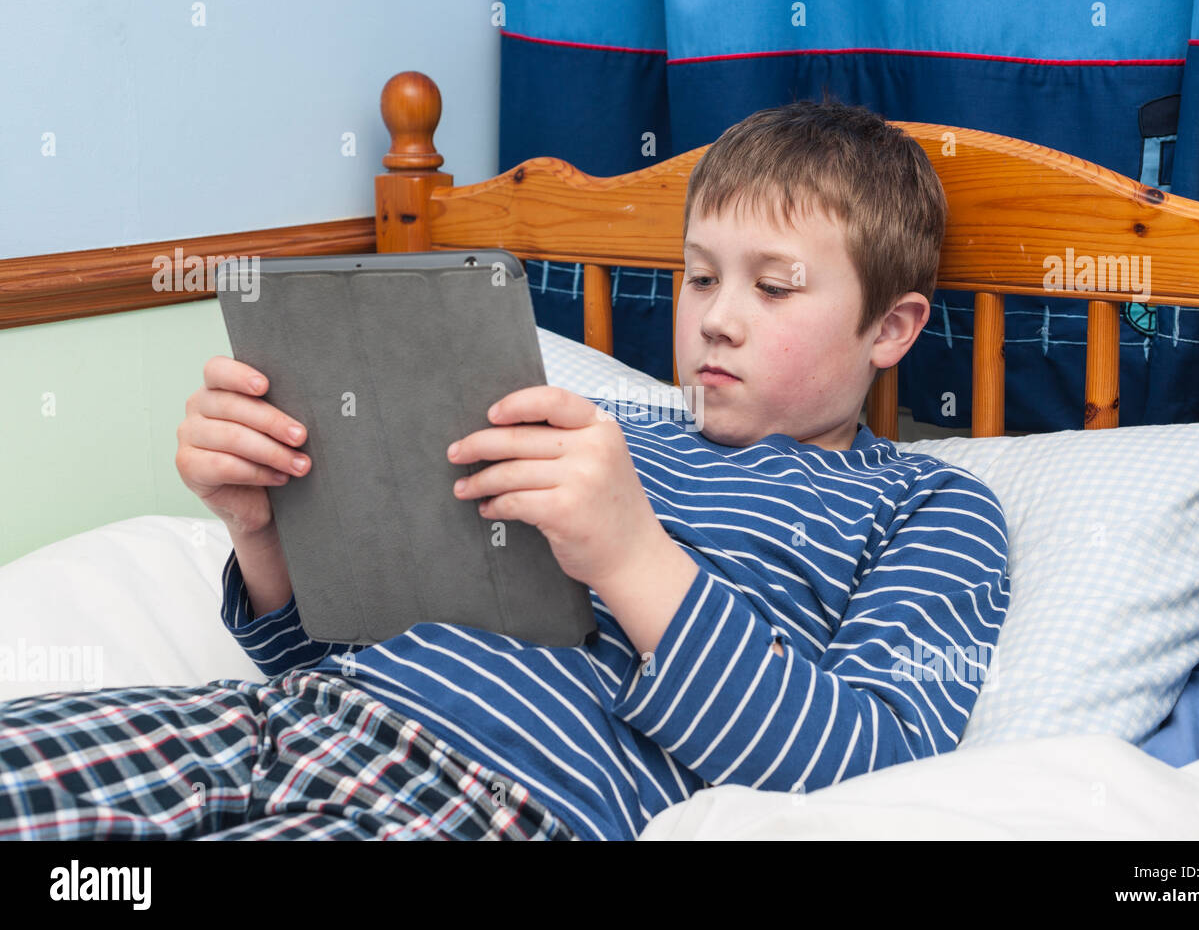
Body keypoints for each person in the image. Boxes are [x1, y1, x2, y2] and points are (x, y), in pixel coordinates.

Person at [0, 97, 1010, 841]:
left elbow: (867, 767)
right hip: (278, 723)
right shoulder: (588, 423)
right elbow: (324, 638)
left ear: (891, 326)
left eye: (774, 286)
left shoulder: (928, 508)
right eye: (699, 275)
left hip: (487, 794)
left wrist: (630, 553)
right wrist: (266, 524)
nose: (718, 315)